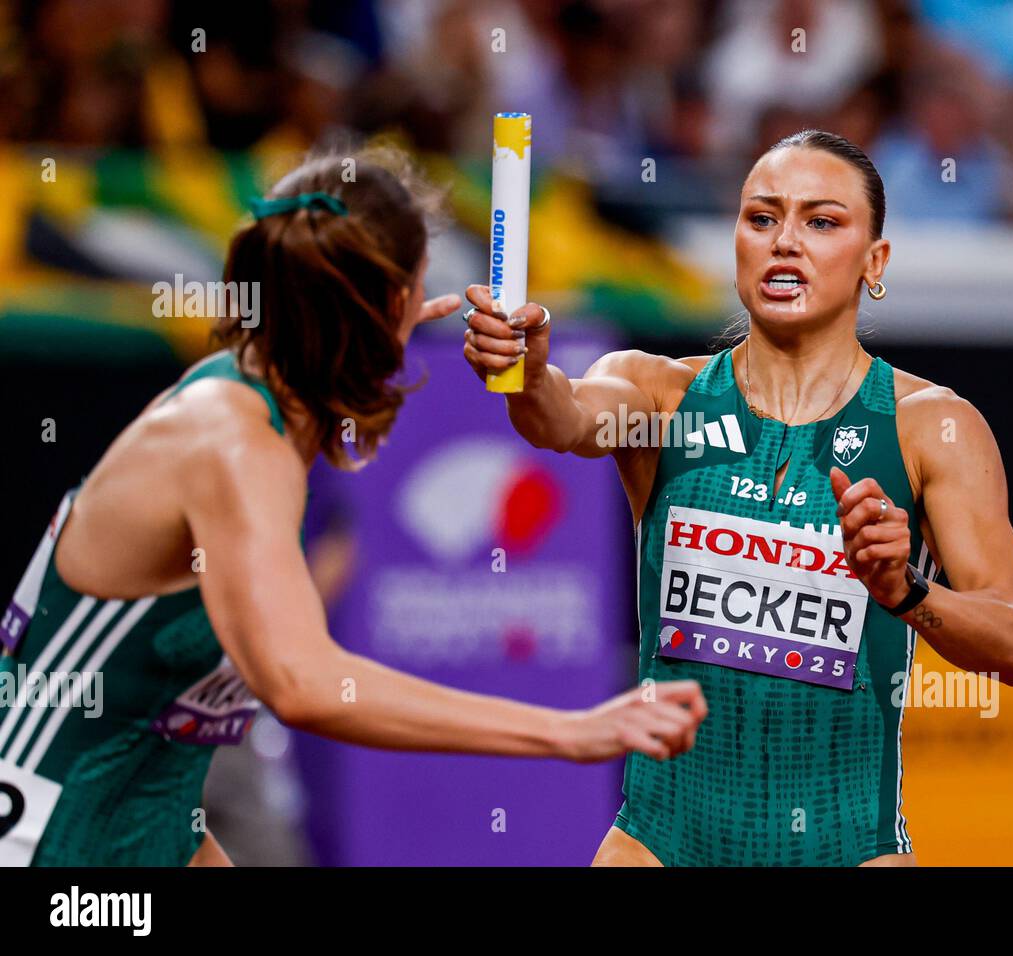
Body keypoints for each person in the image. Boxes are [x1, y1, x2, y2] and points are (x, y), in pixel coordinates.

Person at [0, 147, 706, 868]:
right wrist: (569, 732)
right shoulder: (231, 440)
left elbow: (146, 763)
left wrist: (378, 344)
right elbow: (304, 685)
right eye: (415, 299)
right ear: (397, 302)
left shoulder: (265, 413)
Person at [460, 129, 1013, 866]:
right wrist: (530, 373)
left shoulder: (935, 428)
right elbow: (563, 417)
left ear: (875, 261)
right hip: (658, 847)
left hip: (850, 849)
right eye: (762, 218)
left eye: (821, 222)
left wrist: (904, 590)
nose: (785, 242)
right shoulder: (660, 395)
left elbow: (1011, 643)